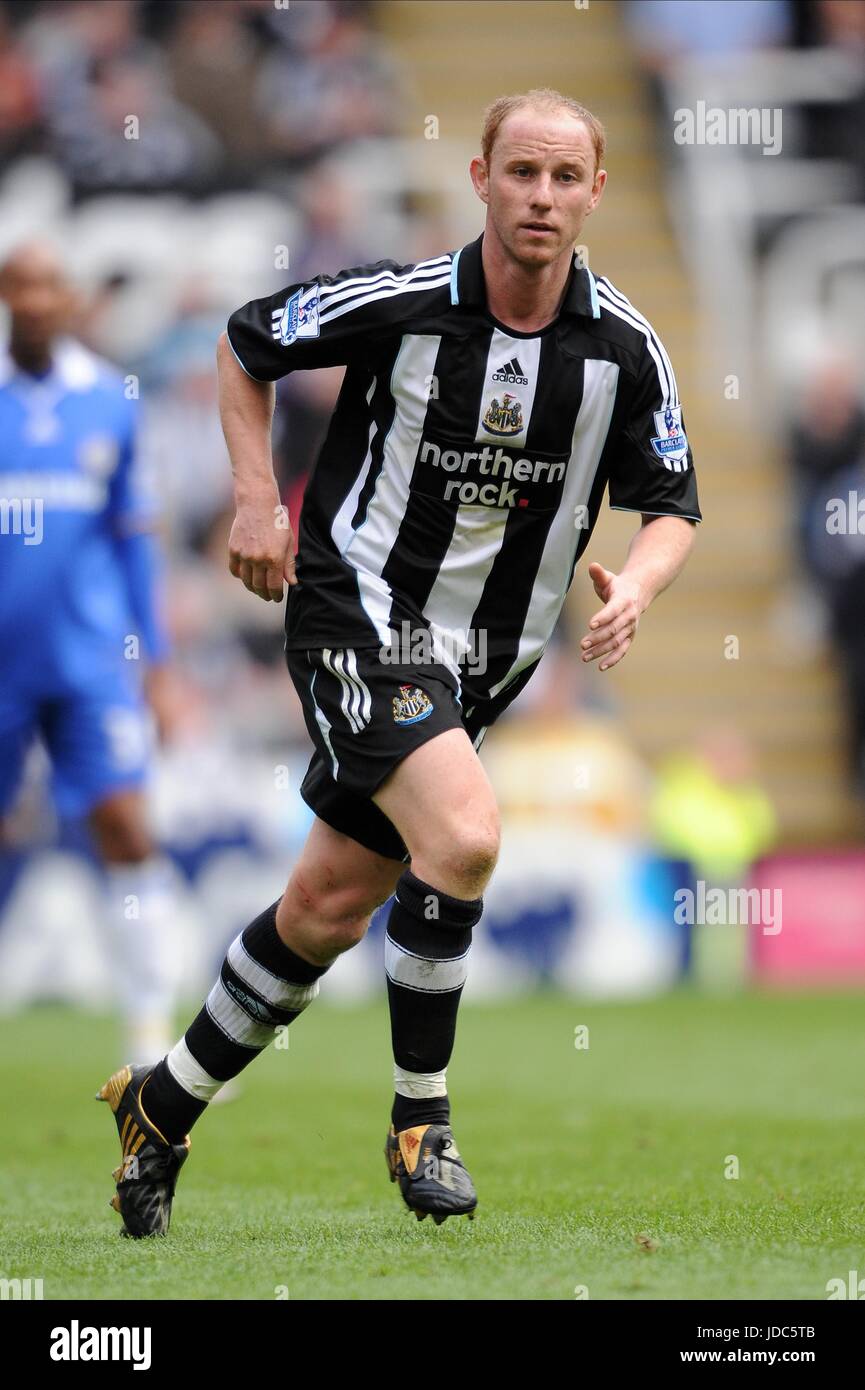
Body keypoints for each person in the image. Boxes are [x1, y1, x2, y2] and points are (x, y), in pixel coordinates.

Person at [98, 87, 701, 1236]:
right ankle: (421, 1120)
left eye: (564, 178)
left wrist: (641, 582)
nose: (540, 196)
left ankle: (160, 1104)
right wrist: (253, 501)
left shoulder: (624, 347)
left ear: (594, 194)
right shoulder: (405, 300)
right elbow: (243, 342)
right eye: (520, 172)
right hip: (359, 611)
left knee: (326, 905)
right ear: (479, 177)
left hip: (485, 662)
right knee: (466, 835)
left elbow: (669, 501)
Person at [0, 241, 179, 1065]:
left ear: (68, 299)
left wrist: (161, 663)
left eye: (48, 285)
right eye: (20, 286)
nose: (35, 300)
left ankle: (150, 1035)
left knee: (125, 824)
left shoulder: (110, 400)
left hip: (88, 659)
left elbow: (135, 541)